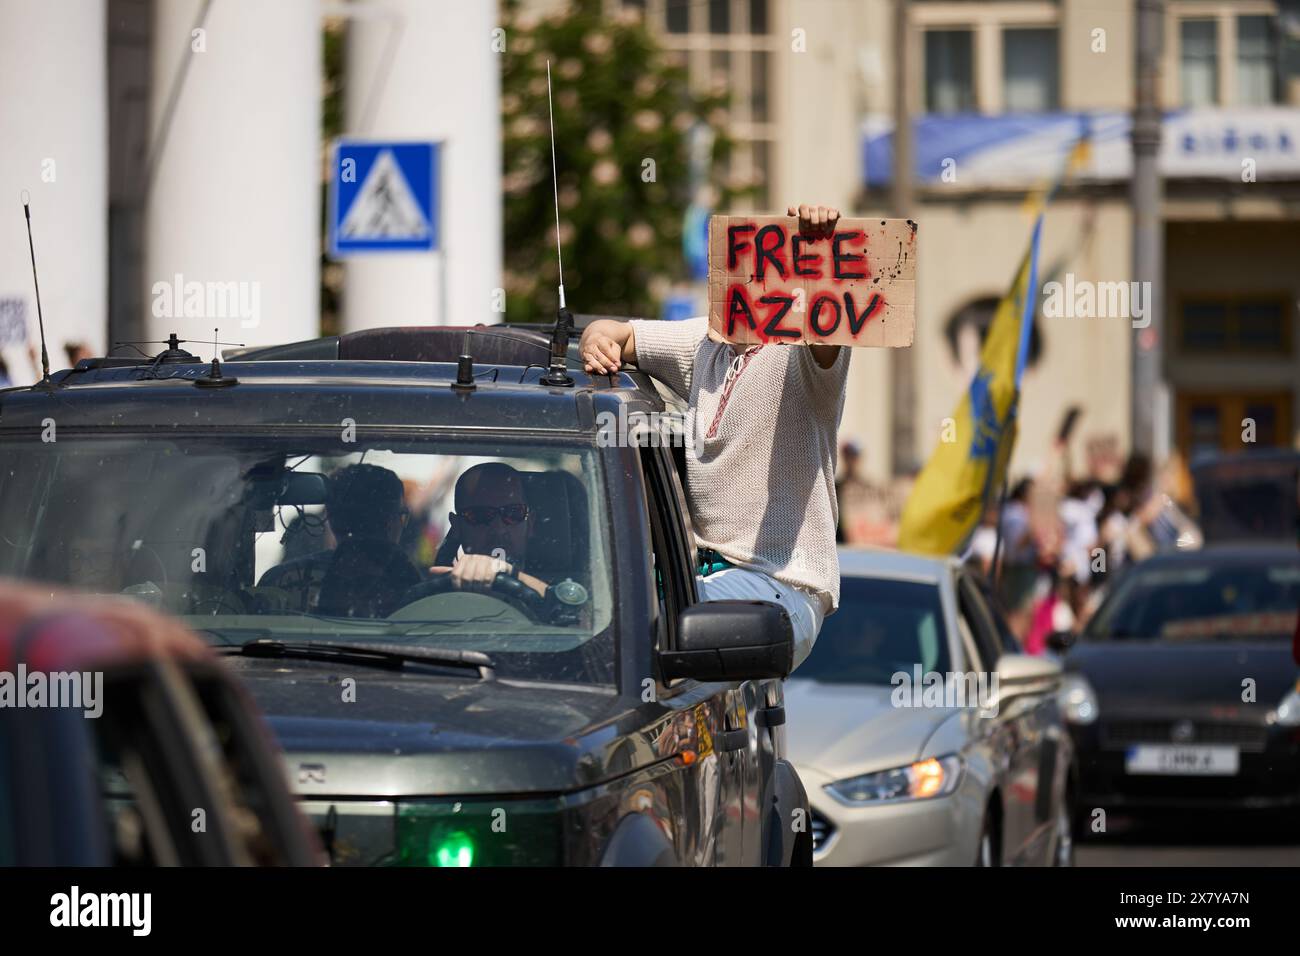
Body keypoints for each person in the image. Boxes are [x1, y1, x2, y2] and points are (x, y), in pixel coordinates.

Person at [578, 203, 849, 670]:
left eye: (759, 271)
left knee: (649, 646)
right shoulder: (704, 343)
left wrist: (819, 251)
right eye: (729, 269)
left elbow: (829, 331)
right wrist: (593, 340)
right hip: (705, 583)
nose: (742, 282)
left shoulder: (800, 358)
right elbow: (616, 332)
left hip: (781, 587)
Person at [430, 462, 550, 597]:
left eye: (513, 513)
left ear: (530, 524)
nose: (499, 529)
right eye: (480, 515)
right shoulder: (432, 594)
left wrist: (512, 575)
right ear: (457, 526)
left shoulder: (567, 589)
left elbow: (567, 607)